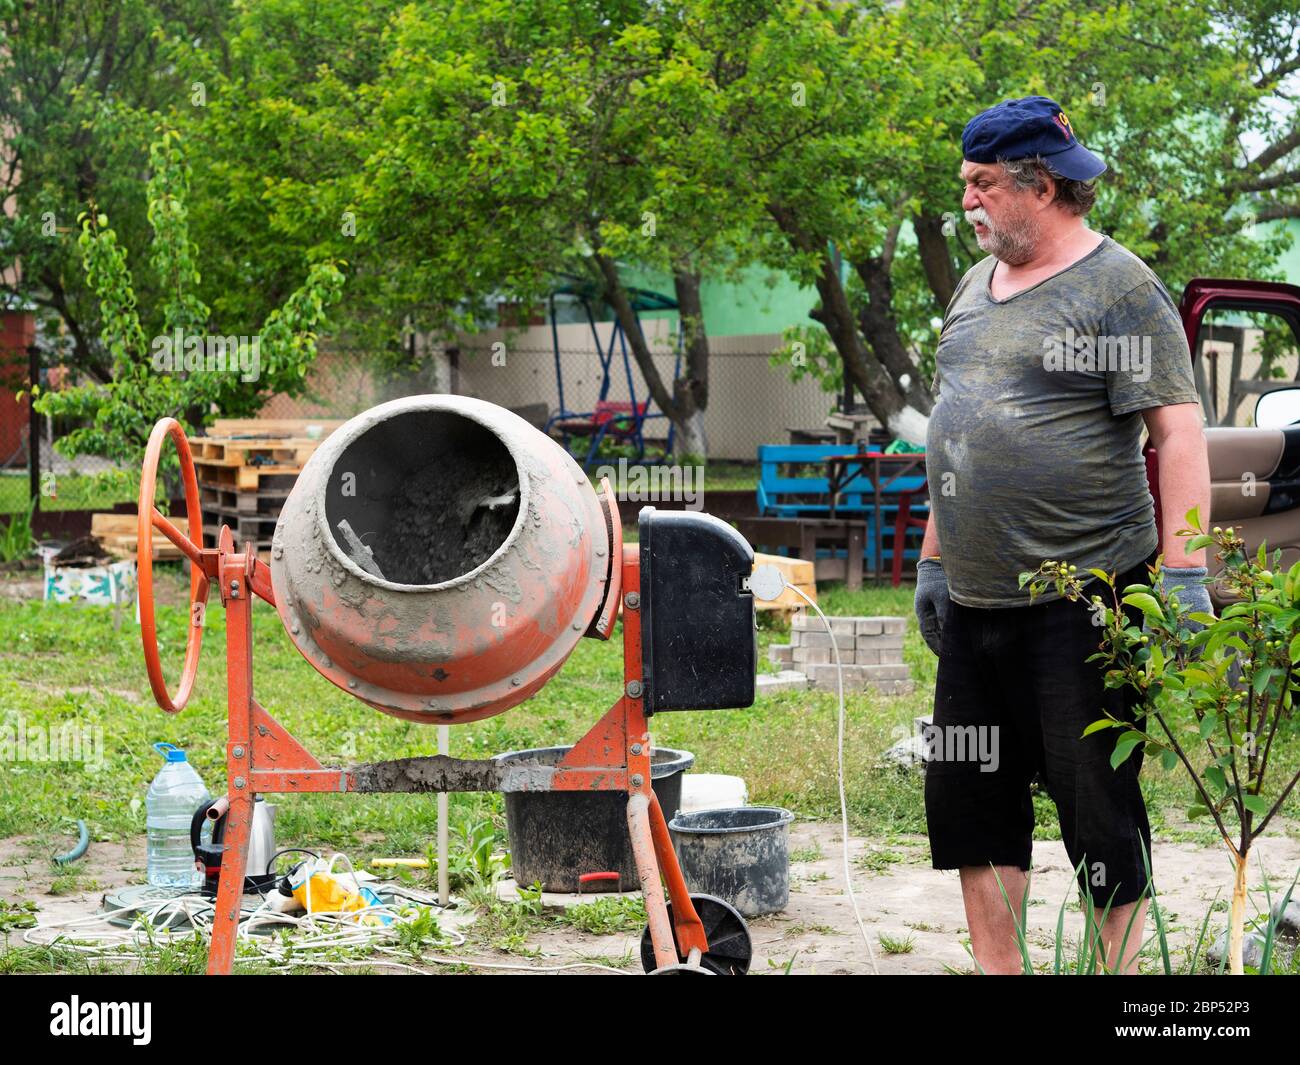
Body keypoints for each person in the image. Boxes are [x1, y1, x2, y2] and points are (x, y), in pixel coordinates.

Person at [913, 95, 1212, 974]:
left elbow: (1179, 433)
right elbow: (954, 426)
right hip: (973, 603)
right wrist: (934, 559)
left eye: (979, 184)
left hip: (1083, 600)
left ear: (1037, 185)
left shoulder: (1119, 290)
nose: (965, 201)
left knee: (1099, 814)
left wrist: (1186, 575)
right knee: (970, 801)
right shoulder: (975, 284)